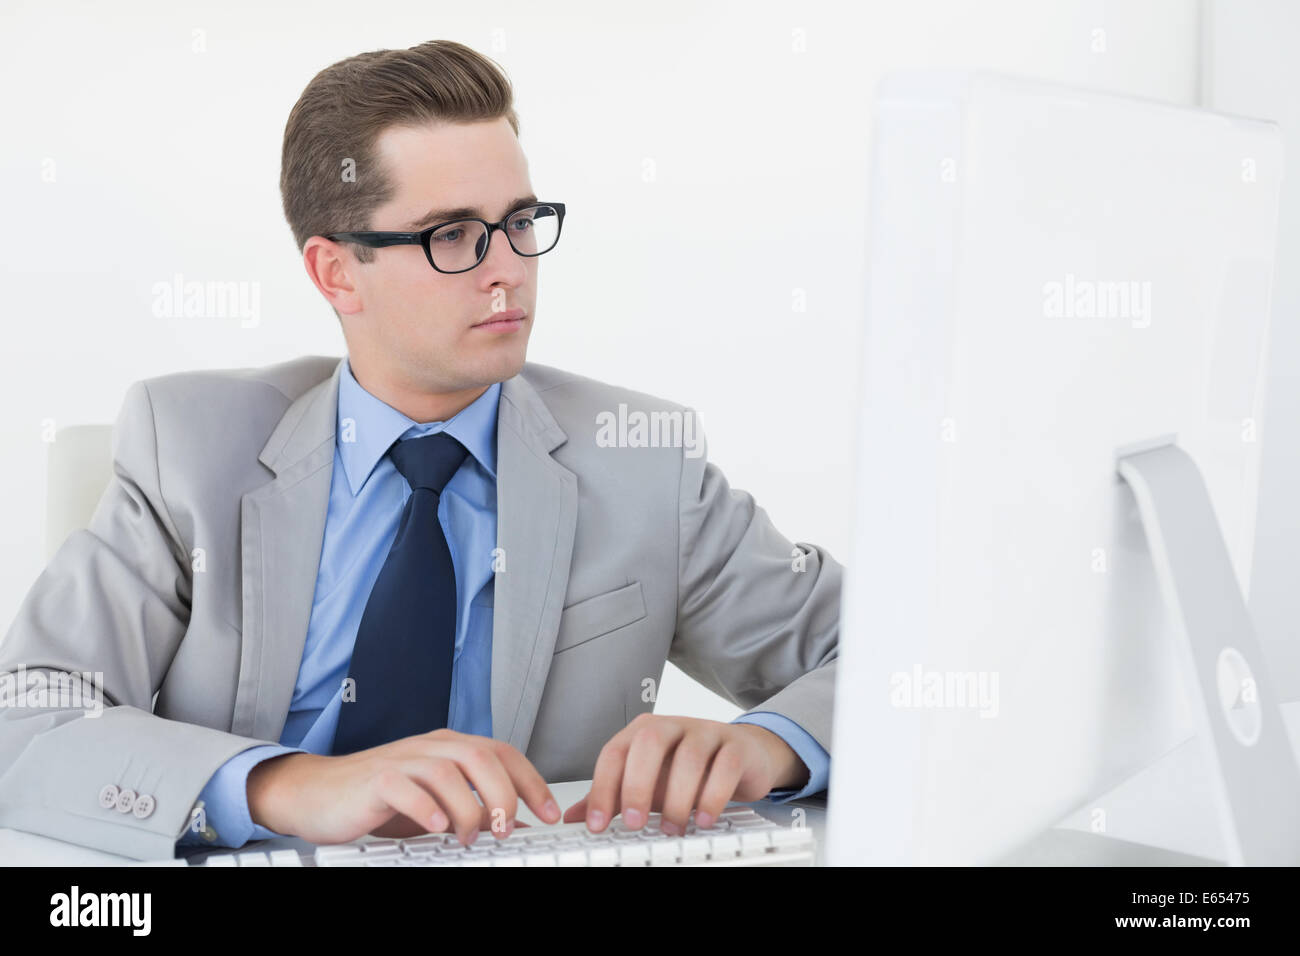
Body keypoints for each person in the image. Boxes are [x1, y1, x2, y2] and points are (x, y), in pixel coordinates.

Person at [0, 39, 840, 860]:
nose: (506, 269)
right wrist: (285, 786)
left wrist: (772, 745)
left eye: (519, 222)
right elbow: (30, 713)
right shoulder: (186, 447)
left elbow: (893, 658)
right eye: (452, 235)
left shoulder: (644, 461)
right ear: (336, 273)